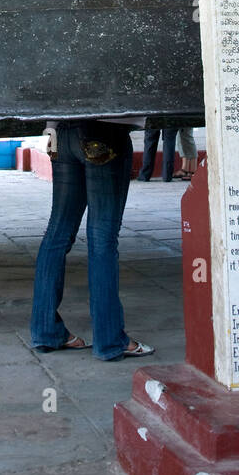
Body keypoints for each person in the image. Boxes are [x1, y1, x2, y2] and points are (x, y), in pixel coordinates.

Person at [30, 120, 154, 360]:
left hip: (61, 133)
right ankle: (110, 340)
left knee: (57, 232)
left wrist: (51, 130)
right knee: (102, 238)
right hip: (106, 130)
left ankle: (46, 331)